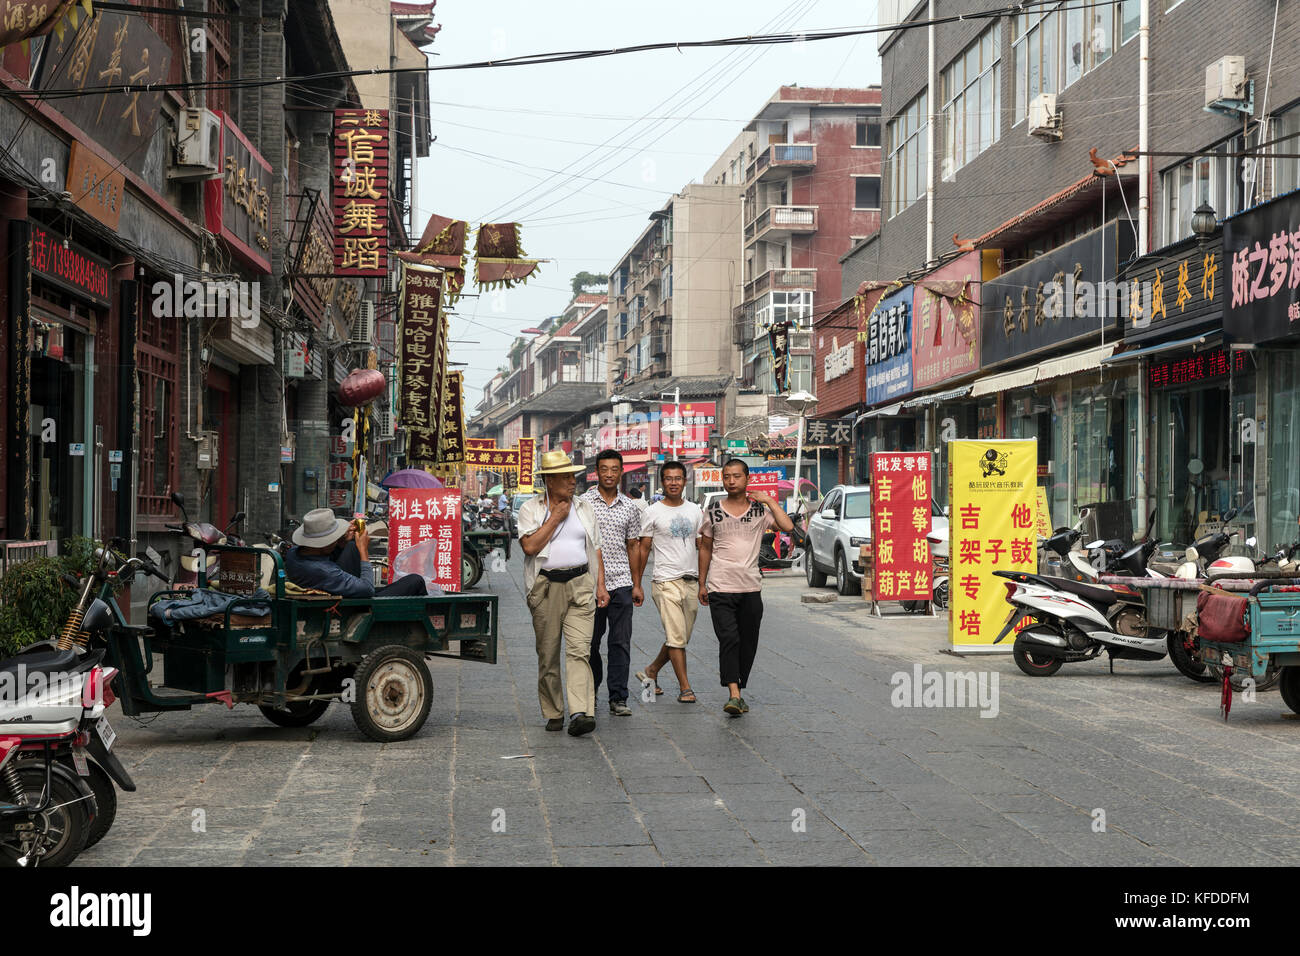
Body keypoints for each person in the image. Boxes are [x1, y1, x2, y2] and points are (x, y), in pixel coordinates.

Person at [518, 450, 610, 737]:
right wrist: (556, 516)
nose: (573, 481)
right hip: (546, 587)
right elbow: (530, 547)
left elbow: (595, 547)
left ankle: (581, 711)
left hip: (581, 583)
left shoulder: (584, 507)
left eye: (574, 476)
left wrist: (600, 584)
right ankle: (554, 710)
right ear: (549, 480)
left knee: (580, 650)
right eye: (566, 477)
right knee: (548, 655)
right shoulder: (531, 509)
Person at [698, 459, 793, 716]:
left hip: (750, 587)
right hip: (720, 586)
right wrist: (702, 582)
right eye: (727, 476)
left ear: (746, 478)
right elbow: (705, 547)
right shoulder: (714, 512)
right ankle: (734, 694)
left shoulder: (759, 512)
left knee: (748, 642)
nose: (731, 481)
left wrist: (769, 501)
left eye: (736, 476)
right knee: (729, 638)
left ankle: (739, 687)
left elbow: (787, 527)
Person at [580, 449, 643, 717]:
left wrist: (637, 583)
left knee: (620, 642)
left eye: (614, 469)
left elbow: (633, 546)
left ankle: (618, 697)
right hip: (589, 583)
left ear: (621, 472)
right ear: (597, 471)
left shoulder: (630, 507)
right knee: (590, 643)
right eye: (603, 469)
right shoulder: (583, 503)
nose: (608, 474)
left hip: (622, 584)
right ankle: (590, 692)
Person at [634, 461, 702, 703]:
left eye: (678, 478)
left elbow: (702, 546)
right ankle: (686, 688)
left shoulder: (696, 510)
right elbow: (643, 548)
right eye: (669, 479)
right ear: (662, 482)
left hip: (691, 581)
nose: (674, 483)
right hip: (664, 581)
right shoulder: (652, 512)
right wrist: (637, 583)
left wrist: (704, 582)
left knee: (680, 637)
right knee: (676, 636)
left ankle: (651, 671)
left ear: (685, 481)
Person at [284, 507, 427, 597]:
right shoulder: (325, 571)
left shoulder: (293, 554)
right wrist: (363, 550)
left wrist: (341, 542)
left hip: (341, 590)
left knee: (351, 546)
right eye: (333, 539)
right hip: (356, 605)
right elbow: (367, 590)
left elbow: (323, 554)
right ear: (325, 545)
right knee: (416, 581)